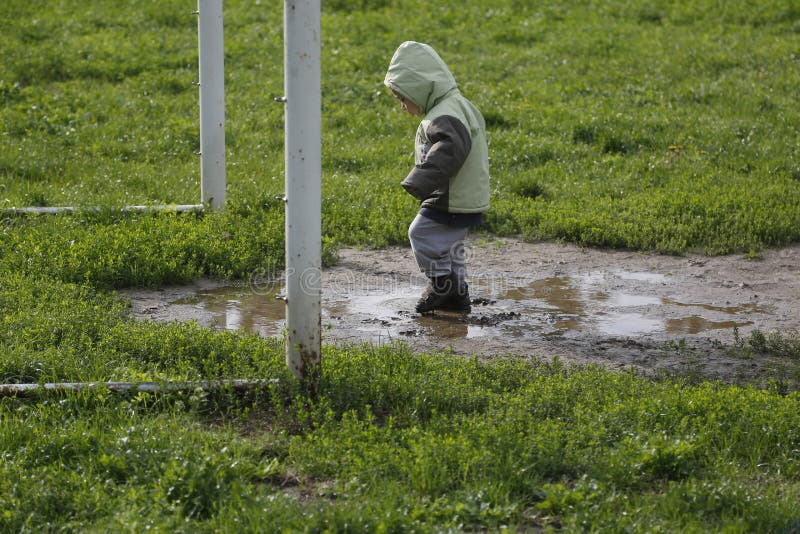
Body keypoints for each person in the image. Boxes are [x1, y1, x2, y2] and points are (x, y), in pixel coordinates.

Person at [384, 41, 490, 314]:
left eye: (402, 98)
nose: (402, 106)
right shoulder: (456, 106)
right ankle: (457, 297)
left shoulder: (445, 114)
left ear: (420, 87)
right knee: (451, 249)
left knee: (420, 235)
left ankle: (442, 284)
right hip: (467, 195)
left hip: (450, 196)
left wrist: (420, 179)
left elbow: (452, 147)